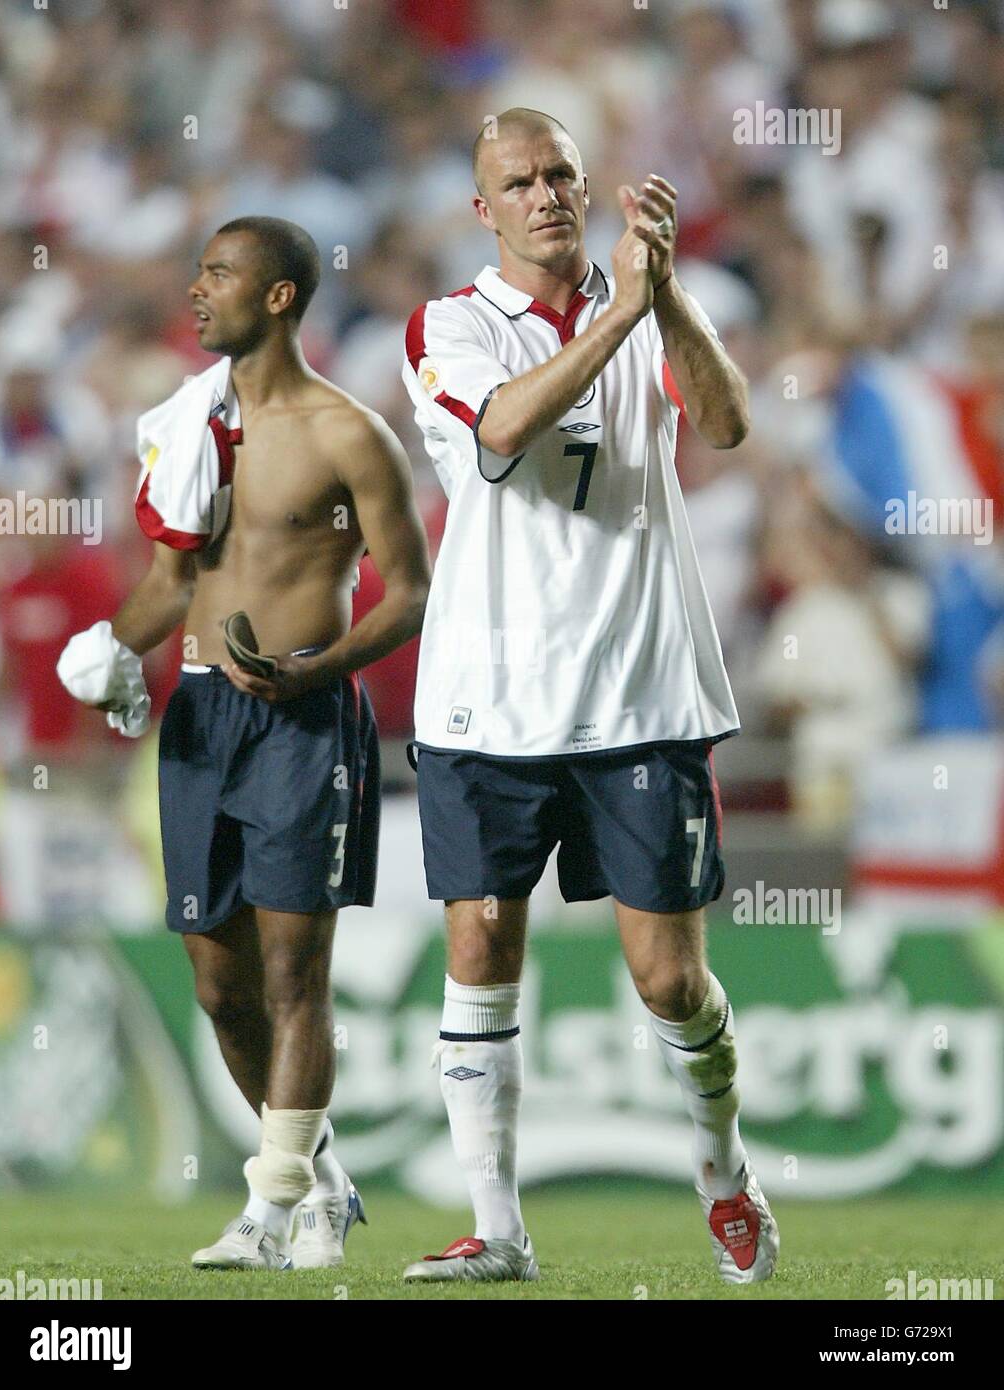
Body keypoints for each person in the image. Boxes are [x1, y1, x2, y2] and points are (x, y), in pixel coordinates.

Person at [400, 109, 777, 1284]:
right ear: (484, 210)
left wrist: (660, 299)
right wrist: (623, 306)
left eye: (561, 173)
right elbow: (505, 435)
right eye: (519, 182)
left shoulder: (657, 297)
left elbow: (724, 421)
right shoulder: (450, 326)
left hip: (641, 689)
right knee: (479, 942)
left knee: (668, 976)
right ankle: (498, 1228)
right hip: (487, 694)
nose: (547, 195)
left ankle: (725, 1173)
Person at [62, 216, 431, 1270]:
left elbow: (410, 591)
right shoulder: (191, 424)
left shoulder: (348, 432)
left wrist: (320, 668)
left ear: (277, 297)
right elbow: (172, 583)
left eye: (219, 274)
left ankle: (268, 1208)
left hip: (303, 718)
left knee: (290, 974)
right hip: (203, 718)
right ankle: (321, 1176)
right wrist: (102, 652)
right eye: (197, 272)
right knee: (220, 986)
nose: (196, 290)